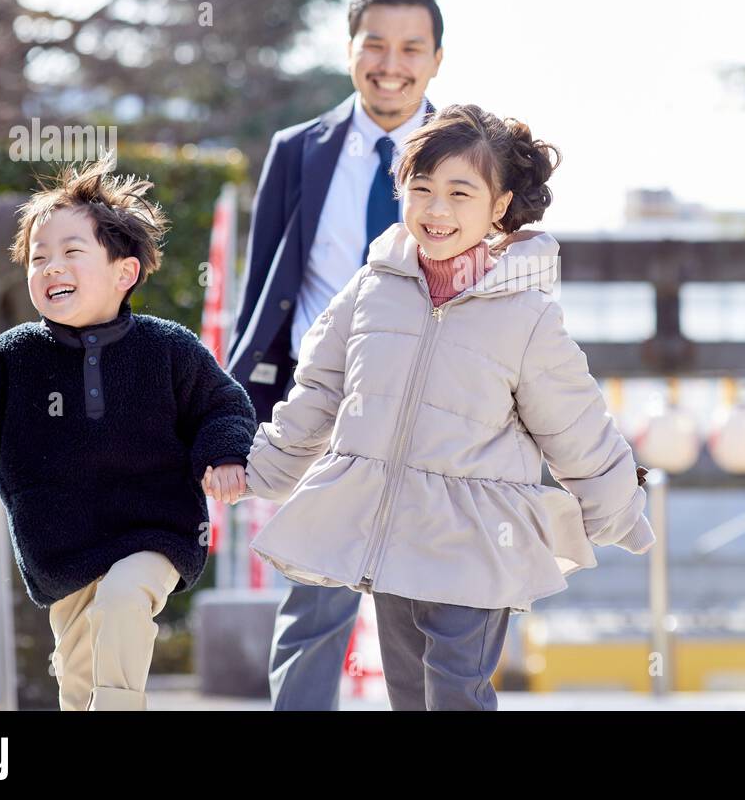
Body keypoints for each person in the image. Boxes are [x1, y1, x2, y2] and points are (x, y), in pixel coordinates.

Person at [239, 104, 654, 710]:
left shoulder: (525, 313)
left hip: (480, 537)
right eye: (422, 188)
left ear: (500, 205)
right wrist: (260, 468)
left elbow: (575, 423)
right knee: (410, 694)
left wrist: (617, 509)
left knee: (456, 686)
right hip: (393, 529)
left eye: (461, 193)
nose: (437, 210)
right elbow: (320, 392)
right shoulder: (371, 289)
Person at [0, 157, 257, 710]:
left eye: (71, 253)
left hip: (155, 533)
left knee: (121, 602)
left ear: (124, 273)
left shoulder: (166, 348)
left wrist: (226, 454)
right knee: (78, 674)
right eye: (38, 259)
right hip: (62, 553)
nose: (51, 268)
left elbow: (223, 405)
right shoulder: (12, 360)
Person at [225, 0, 444, 709]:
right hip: (322, 409)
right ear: (349, 48)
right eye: (375, 44)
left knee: (418, 613)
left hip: (428, 413)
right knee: (314, 608)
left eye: (412, 47)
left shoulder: (472, 155)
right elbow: (262, 298)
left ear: (437, 59)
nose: (392, 63)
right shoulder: (298, 151)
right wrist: (236, 411)